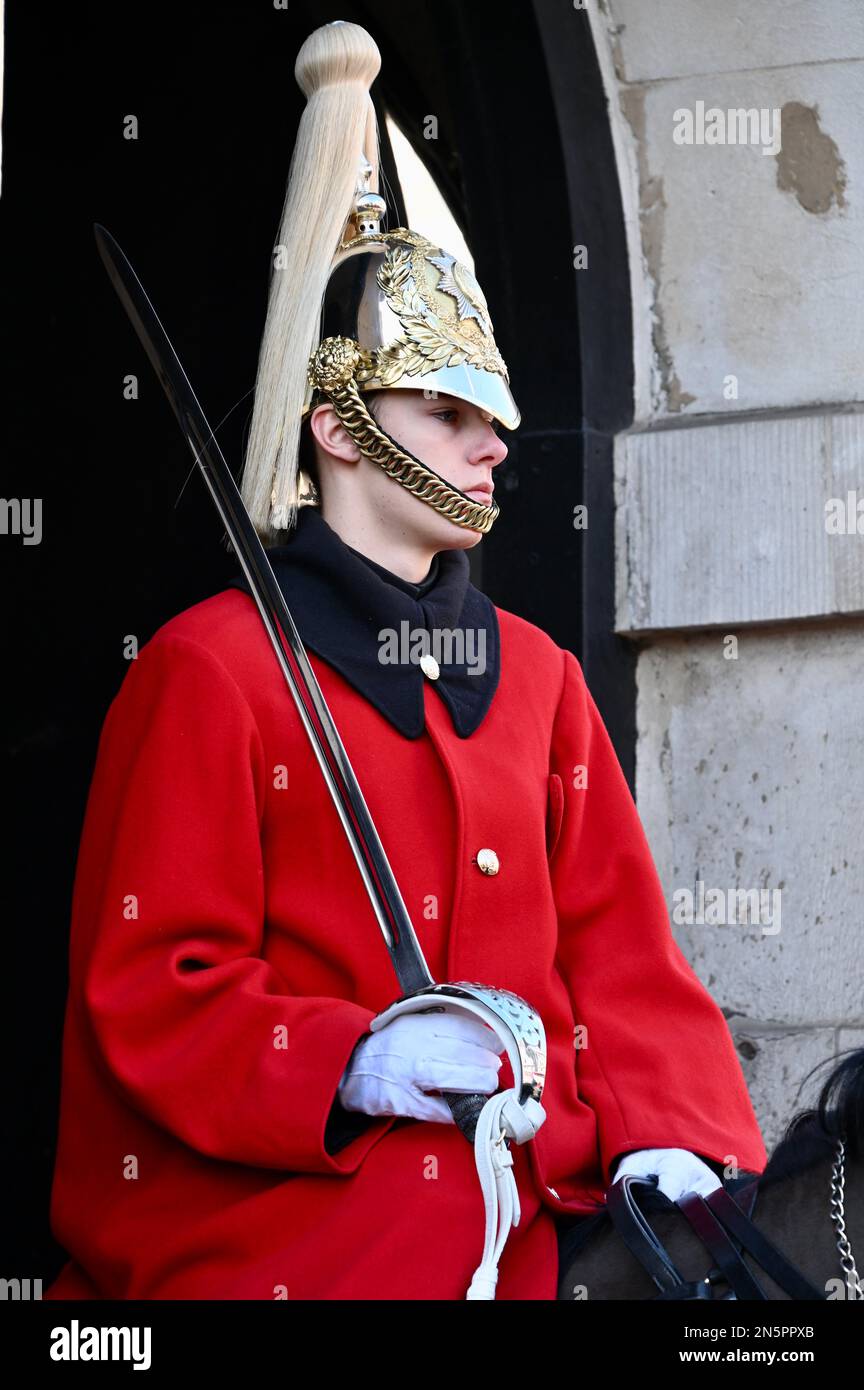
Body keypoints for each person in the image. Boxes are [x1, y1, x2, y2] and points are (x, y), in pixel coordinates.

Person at [43, 20, 767, 1302]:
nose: (493, 447)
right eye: (447, 410)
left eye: (494, 419)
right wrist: (352, 1058)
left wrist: (671, 1131)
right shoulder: (208, 670)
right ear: (335, 425)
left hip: (539, 1241)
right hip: (298, 1250)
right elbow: (152, 988)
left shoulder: (540, 676)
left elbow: (624, 958)